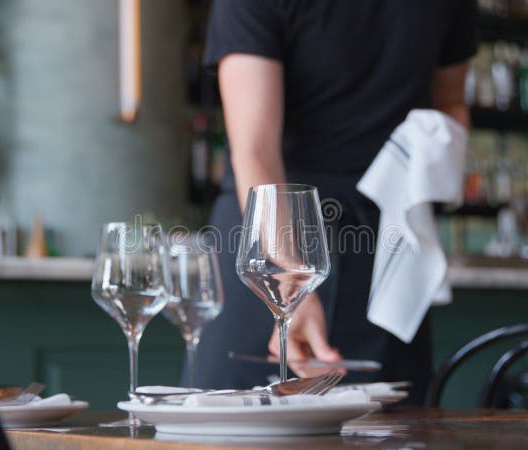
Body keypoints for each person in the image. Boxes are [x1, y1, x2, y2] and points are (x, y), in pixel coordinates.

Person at [192, 0, 476, 404]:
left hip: (387, 248)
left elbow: (449, 106)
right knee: (237, 424)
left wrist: (423, 162)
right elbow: (254, 151)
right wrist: (289, 279)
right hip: (268, 239)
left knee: (393, 428)